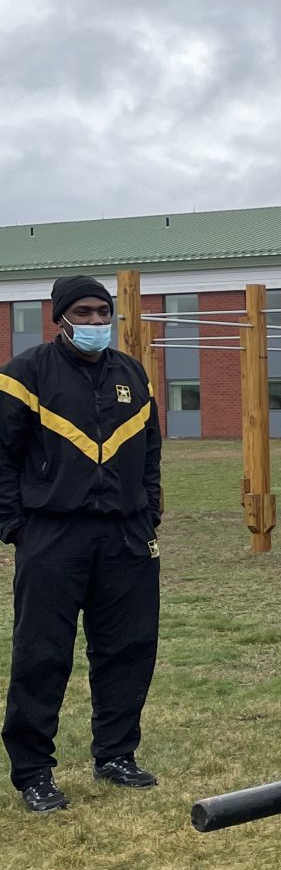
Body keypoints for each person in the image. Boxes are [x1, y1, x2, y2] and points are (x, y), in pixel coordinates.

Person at [0, 274, 163, 813]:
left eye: (103, 313)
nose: (96, 322)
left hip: (125, 536)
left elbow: (152, 449)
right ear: (60, 318)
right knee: (42, 652)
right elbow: (2, 456)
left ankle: (116, 755)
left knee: (128, 648)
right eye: (85, 313)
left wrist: (149, 511)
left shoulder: (132, 375)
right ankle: (33, 772)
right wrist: (16, 527)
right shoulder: (24, 374)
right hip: (52, 535)